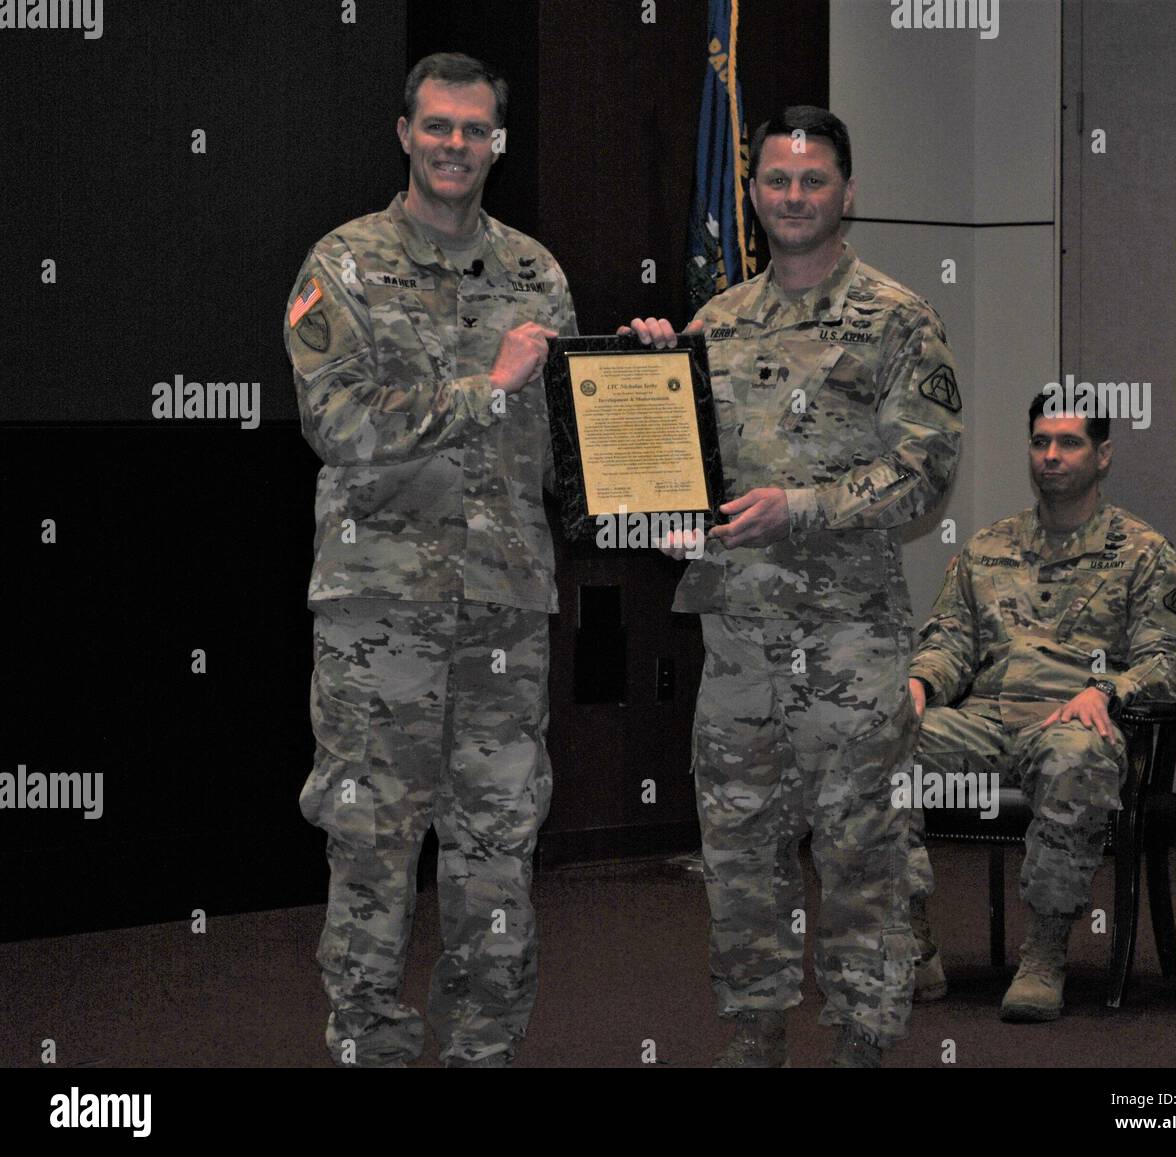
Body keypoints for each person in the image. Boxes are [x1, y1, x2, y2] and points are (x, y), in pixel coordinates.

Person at [632, 106, 962, 1067]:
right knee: (740, 860)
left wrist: (804, 507)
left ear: (847, 194)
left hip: (853, 643)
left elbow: (924, 472)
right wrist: (652, 463)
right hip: (737, 641)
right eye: (776, 180)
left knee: (863, 857)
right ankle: (753, 1037)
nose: (793, 197)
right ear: (755, 191)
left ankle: (864, 1043)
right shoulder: (715, 324)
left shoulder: (898, 318)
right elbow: (675, 474)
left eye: (813, 181)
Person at [283, 52, 576, 1068]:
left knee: (498, 848)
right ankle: (370, 1044)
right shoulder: (343, 265)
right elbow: (337, 423)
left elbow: (572, 444)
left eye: (476, 128)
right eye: (438, 125)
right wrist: (482, 386)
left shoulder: (536, 273)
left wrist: (644, 374)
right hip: (380, 616)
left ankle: (483, 1048)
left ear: (498, 140)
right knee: (371, 842)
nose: (457, 144)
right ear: (405, 132)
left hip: (504, 611)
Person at [906, 390, 1176, 1022]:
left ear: (1103, 456)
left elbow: (1170, 660)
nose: (1052, 456)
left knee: (1077, 758)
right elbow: (949, 638)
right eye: (1041, 442)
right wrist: (920, 686)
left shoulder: (1142, 552)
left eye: (1069, 443)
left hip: (1074, 720)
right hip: (987, 720)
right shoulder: (988, 548)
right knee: (879, 741)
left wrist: (1108, 690)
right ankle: (908, 939)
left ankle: (1044, 954)